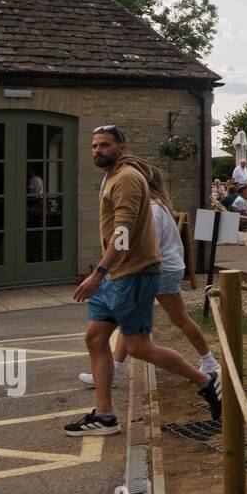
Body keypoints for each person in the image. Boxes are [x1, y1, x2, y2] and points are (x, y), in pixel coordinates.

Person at [67, 125, 220, 436]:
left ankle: (206, 382)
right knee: (95, 338)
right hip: (116, 273)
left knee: (138, 346)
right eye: (95, 146)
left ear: (121, 146)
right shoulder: (112, 175)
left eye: (105, 145)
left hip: (133, 273)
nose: (98, 150)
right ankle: (105, 416)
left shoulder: (126, 179)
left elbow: (122, 232)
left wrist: (98, 272)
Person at [80, 163, 219, 387]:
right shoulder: (157, 206)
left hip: (159, 269)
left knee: (177, 318)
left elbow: (143, 244)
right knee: (133, 320)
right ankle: (113, 370)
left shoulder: (151, 210)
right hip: (166, 267)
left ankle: (209, 364)